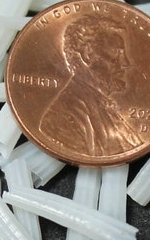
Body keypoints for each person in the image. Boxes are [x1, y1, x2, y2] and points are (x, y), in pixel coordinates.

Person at [38, 14, 142, 157]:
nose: (126, 63)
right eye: (117, 53)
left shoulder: (101, 105)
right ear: (87, 54)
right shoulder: (64, 117)